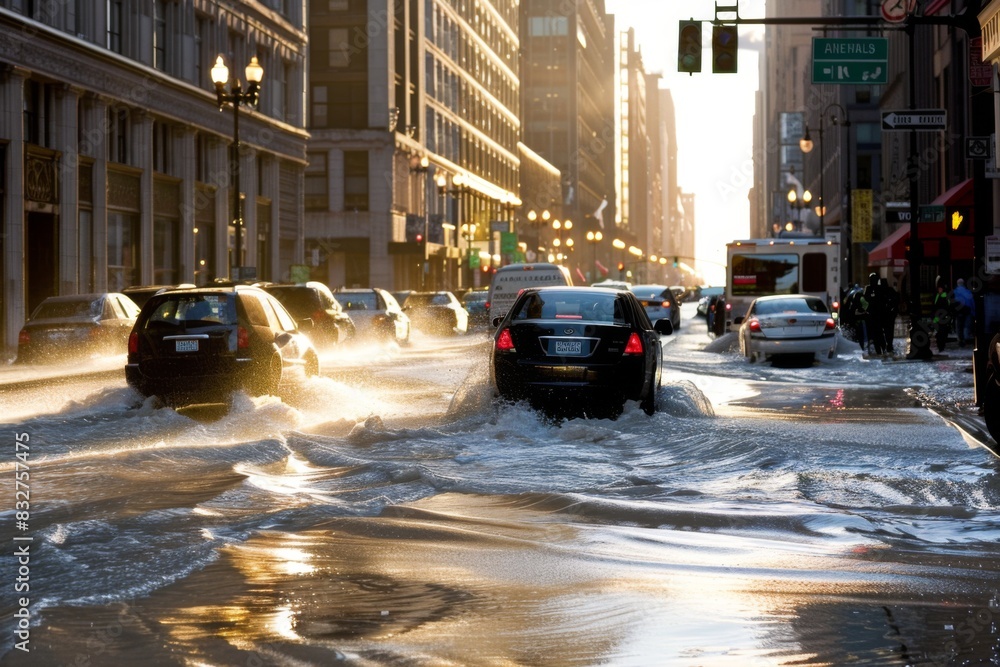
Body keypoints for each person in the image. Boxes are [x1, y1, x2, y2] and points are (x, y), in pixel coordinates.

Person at [862, 273, 885, 355]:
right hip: (872, 313)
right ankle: (878, 350)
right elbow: (865, 298)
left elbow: (882, 299)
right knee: (874, 334)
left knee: (880, 333)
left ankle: (883, 348)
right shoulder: (868, 288)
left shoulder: (879, 288)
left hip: (879, 313)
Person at [950, 278, 975, 347]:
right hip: (967, 311)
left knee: (959, 326)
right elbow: (972, 303)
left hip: (958, 311)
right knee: (966, 325)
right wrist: (973, 313)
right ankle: (965, 338)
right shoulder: (968, 292)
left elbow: (951, 302)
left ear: (957, 284)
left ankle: (960, 339)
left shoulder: (954, 292)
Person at [879, 278, 900, 356]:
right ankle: (889, 345)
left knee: (886, 331)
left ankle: (887, 345)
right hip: (889, 315)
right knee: (889, 331)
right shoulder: (890, 290)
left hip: (886, 315)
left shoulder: (881, 291)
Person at [932, 284, 951, 353]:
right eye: (938, 289)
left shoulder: (944, 296)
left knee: (942, 332)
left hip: (943, 318)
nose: (939, 290)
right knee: (940, 332)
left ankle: (941, 345)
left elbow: (948, 307)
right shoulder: (937, 296)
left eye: (940, 288)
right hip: (939, 318)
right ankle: (940, 345)